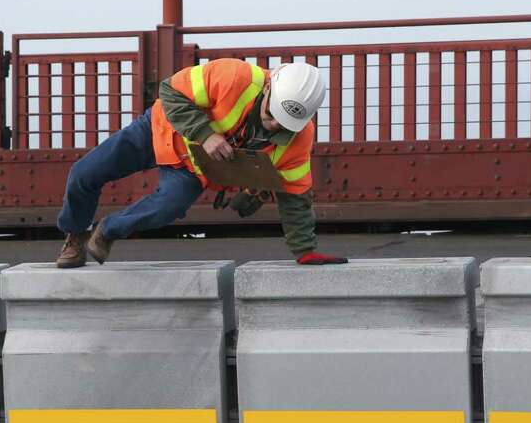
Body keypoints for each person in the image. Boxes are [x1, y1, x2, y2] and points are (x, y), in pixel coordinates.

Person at [55, 58, 349, 268]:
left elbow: (296, 195)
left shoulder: (299, 139)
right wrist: (205, 134)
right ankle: (75, 234)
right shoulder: (234, 76)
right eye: (271, 115)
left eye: (284, 125)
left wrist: (305, 251)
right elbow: (170, 90)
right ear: (269, 88)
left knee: (168, 207)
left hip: (193, 169)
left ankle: (108, 230)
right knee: (84, 173)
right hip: (159, 130)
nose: (274, 126)